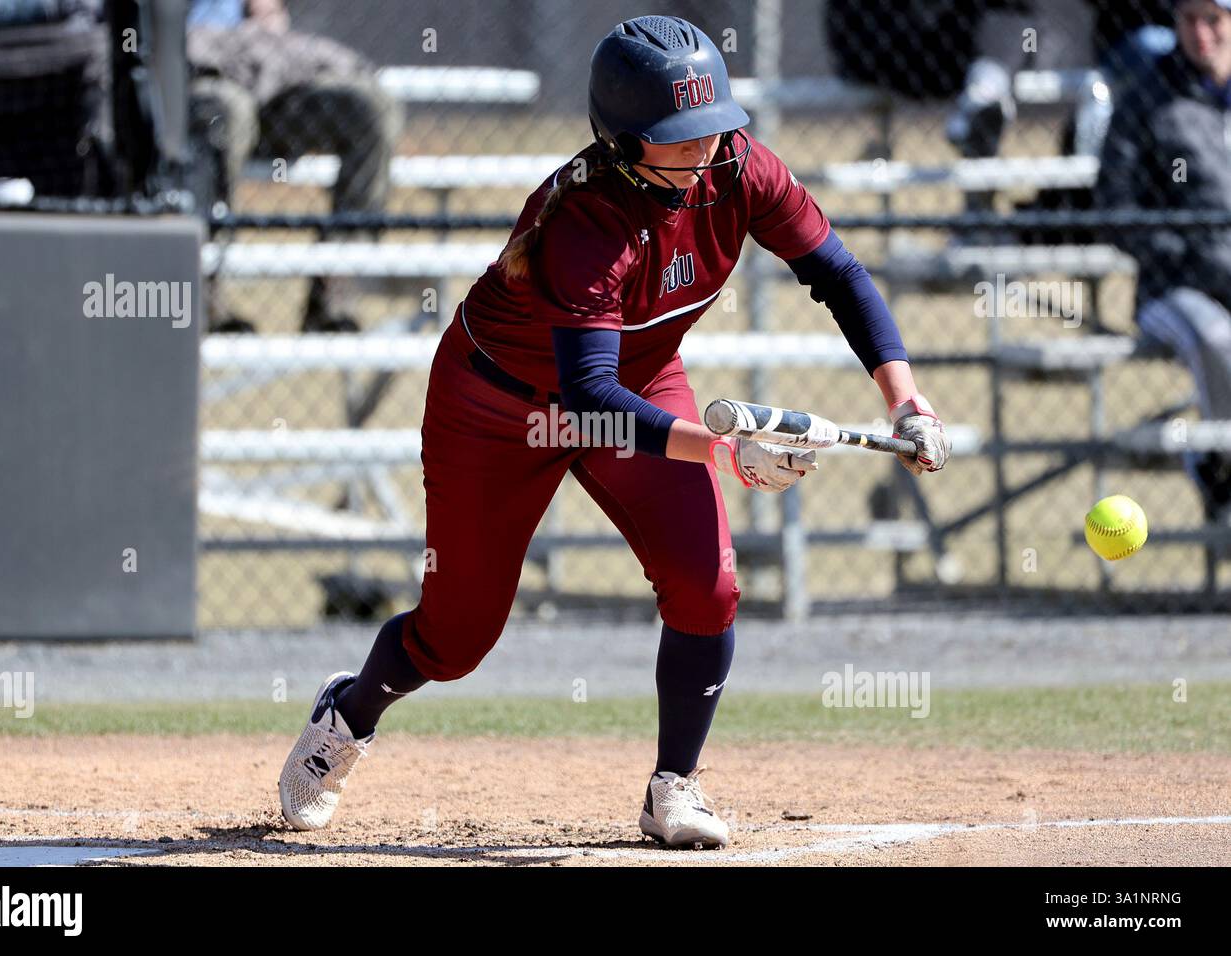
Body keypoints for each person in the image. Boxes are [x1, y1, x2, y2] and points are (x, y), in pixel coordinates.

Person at [276, 16, 951, 849]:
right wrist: (726, 449)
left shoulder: (742, 167)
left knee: (708, 588)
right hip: (499, 405)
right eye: (679, 135)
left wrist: (906, 399)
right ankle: (349, 712)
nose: (705, 147)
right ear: (625, 141)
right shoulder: (586, 218)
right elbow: (586, 395)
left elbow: (838, 273)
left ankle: (675, 787)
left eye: (714, 125)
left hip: (637, 380)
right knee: (456, 638)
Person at [1095, 0, 1231, 525]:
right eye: (1188, 20)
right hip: (1173, 287)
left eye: (1214, 20)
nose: (1200, 34)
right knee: (1215, 335)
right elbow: (1116, 205)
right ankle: (1221, 466)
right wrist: (1191, 254)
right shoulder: (1148, 96)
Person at [187, 0, 401, 332]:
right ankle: (204, 297)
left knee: (371, 109)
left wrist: (265, 18)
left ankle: (335, 294)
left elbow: (269, 17)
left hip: (266, 78)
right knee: (229, 109)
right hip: (192, 85)